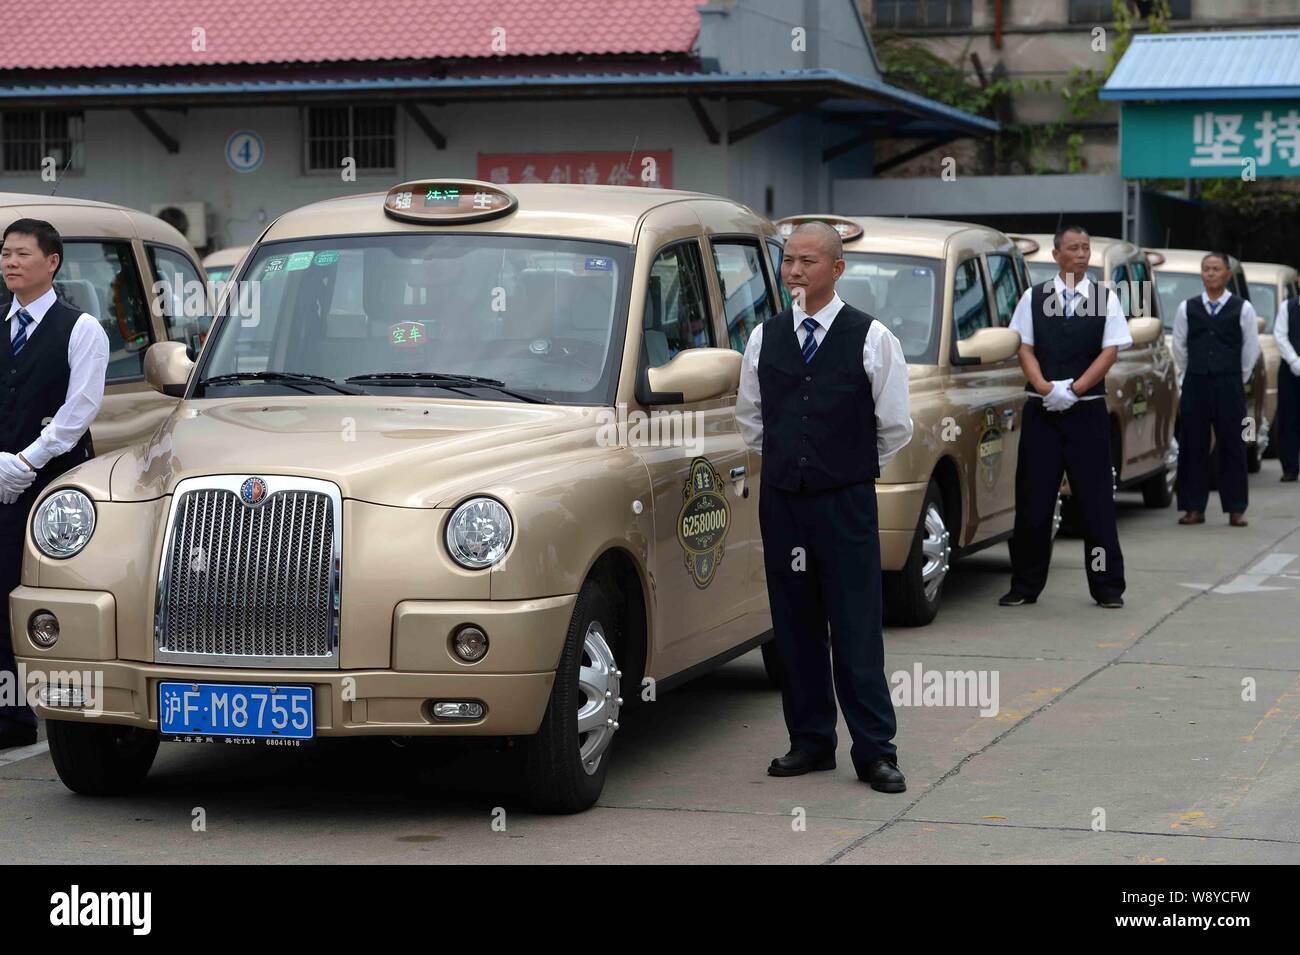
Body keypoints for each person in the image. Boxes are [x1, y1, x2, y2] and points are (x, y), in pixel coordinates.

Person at [735, 221, 913, 792]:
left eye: (807, 262)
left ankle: (875, 751)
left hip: (847, 504)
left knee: (856, 623)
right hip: (785, 503)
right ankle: (810, 740)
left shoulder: (872, 337)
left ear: (836, 269)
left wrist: (841, 465)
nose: (794, 271)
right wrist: (796, 464)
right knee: (794, 623)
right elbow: (752, 421)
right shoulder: (764, 337)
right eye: (789, 261)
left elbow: (894, 426)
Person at [0, 219, 109, 748]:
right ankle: (10, 715)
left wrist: (25, 461)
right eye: (5, 254)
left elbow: (79, 411)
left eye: (22, 254)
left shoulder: (82, 328)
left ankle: (65, 710)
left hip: (52, 486)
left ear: (53, 262)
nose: (11, 263)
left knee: (45, 590)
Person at [1001, 225, 1131, 609]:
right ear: (1056, 254)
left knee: (1096, 503)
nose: (1081, 254)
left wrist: (1074, 390)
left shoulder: (1104, 298)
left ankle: (1107, 587)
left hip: (1087, 411)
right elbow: (1023, 346)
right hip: (1042, 411)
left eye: (1086, 248)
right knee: (1033, 500)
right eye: (1073, 248)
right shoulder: (1034, 296)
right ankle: (1025, 585)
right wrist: (1044, 387)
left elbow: (1110, 351)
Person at [1171, 253, 1260, 526]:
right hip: (1196, 382)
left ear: (1227, 275)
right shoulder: (1188, 307)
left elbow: (1250, 349)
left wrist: (1236, 376)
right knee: (1193, 444)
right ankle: (1193, 507)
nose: (1211, 274)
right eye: (1206, 269)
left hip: (1229, 383)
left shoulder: (1242, 308)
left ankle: (1236, 508)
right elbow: (1179, 346)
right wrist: (1193, 371)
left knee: (1233, 444)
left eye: (1216, 269)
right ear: (1201, 274)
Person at [1272, 292, 1299, 482]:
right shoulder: (1288, 306)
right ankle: (1290, 467)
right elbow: (1280, 335)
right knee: (1289, 418)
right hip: (1291, 370)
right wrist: (1294, 361)